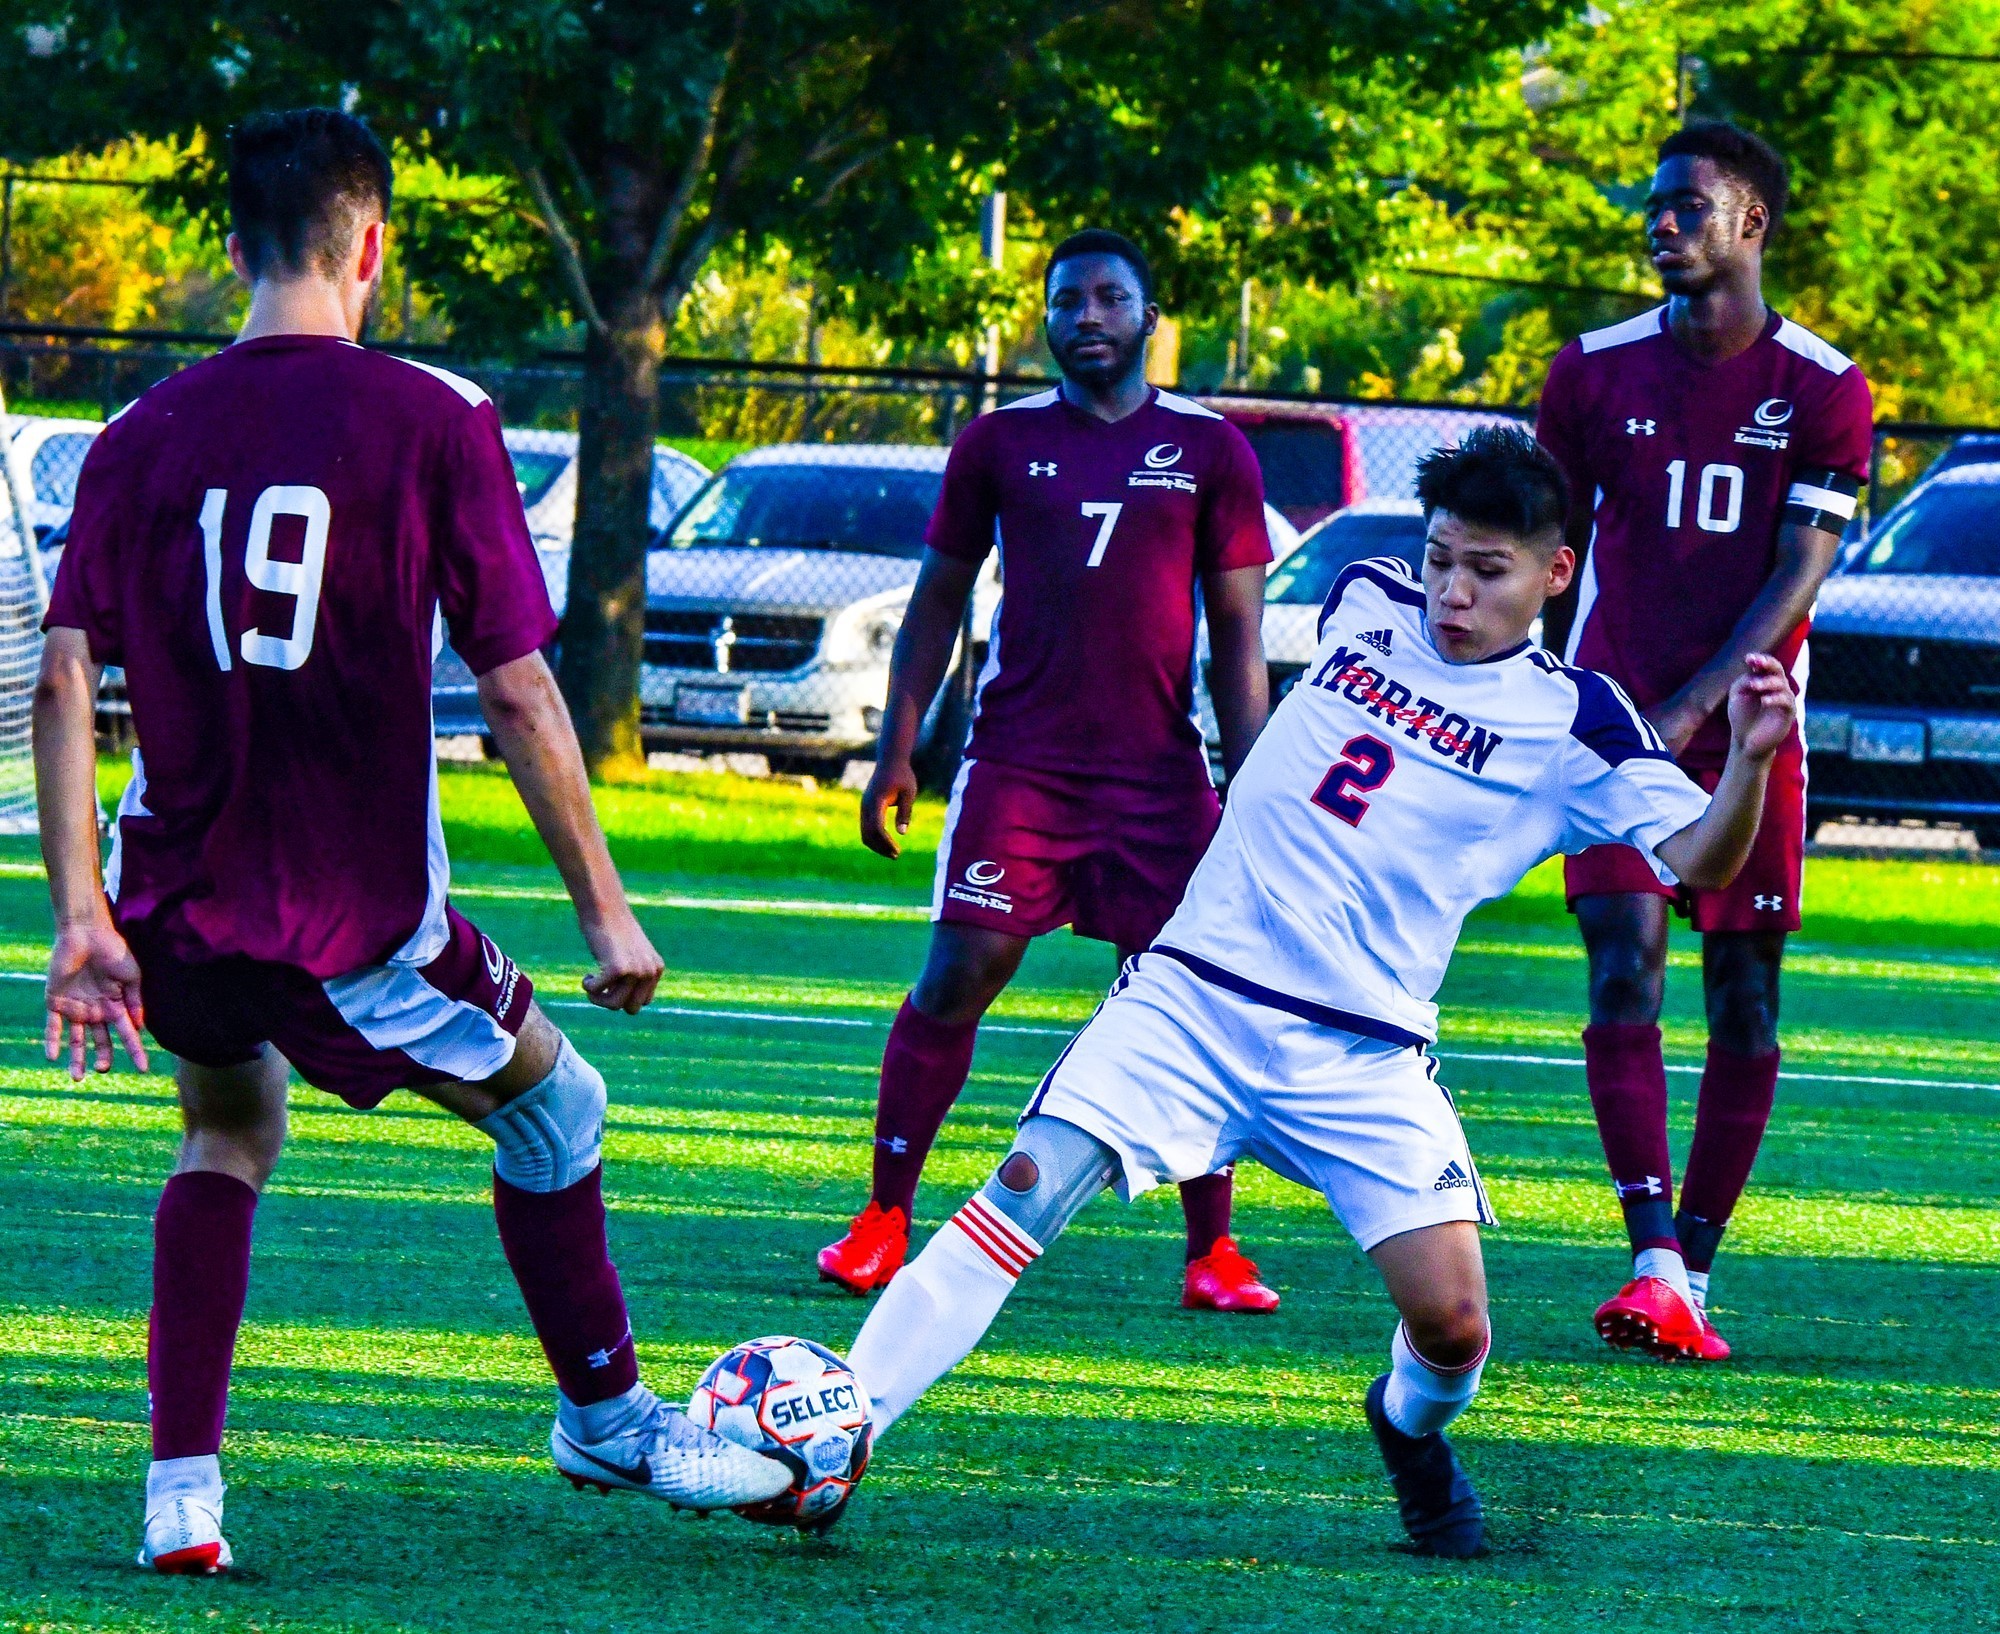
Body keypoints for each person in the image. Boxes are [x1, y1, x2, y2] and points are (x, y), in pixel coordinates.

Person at [32, 108, 790, 1576]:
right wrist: (606, 911)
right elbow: (516, 689)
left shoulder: (137, 433)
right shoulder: (436, 417)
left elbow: (64, 677)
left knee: (225, 1133)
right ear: (371, 242)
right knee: (559, 1112)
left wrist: (82, 918)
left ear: (234, 245)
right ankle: (604, 1416)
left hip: (168, 901)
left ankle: (182, 1495)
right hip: (356, 921)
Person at [840, 425, 1798, 1558]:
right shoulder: (1364, 598)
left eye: (1486, 570)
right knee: (1018, 1192)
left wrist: (1745, 763)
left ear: (1555, 573)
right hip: (1189, 1002)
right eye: (1440, 557)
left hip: (1361, 1055)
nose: (1451, 591)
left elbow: (1700, 860)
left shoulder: (1574, 722)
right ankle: (836, 1435)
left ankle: (1405, 1428)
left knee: (1453, 1326)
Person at [817, 229, 1281, 1312]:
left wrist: (1253, 787)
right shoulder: (997, 441)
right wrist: (894, 749)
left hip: (1159, 780)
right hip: (1018, 768)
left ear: (1149, 317)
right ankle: (883, 1218)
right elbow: (935, 601)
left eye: (1110, 298)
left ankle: (1212, 1250)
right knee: (958, 972)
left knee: (1190, 996)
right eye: (1067, 300)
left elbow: (1238, 637)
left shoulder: (1211, 450)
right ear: (1045, 320)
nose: (1087, 316)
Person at [1536, 121, 1874, 1361]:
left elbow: (1799, 570)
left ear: (1750, 223)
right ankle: (1651, 1261)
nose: (1658, 222)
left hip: (1745, 732)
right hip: (1611, 724)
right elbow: (1549, 555)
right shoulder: (1587, 372)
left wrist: (1695, 706)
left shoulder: (1824, 385)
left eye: (1685, 203)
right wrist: (1536, 689)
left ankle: (1697, 1258)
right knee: (1620, 965)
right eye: (1651, 204)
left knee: (1742, 997)